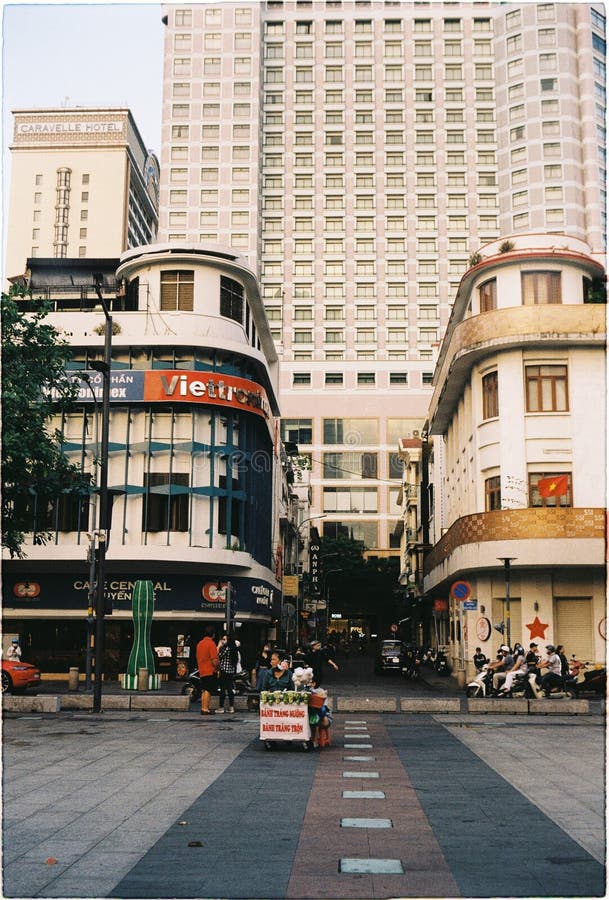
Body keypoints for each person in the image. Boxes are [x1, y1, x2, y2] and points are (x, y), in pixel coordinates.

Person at [196, 625, 219, 715]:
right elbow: (214, 659)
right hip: (210, 670)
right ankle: (205, 709)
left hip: (202, 669)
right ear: (213, 635)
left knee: (204, 689)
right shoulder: (211, 644)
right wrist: (217, 667)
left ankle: (203, 707)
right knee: (208, 690)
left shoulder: (200, 643)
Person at [217, 633, 239, 713]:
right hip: (231, 671)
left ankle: (221, 707)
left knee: (222, 689)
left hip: (224, 670)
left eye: (224, 639)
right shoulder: (234, 649)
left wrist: (219, 646)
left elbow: (219, 655)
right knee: (230, 689)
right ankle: (231, 707)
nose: (223, 641)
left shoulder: (226, 648)